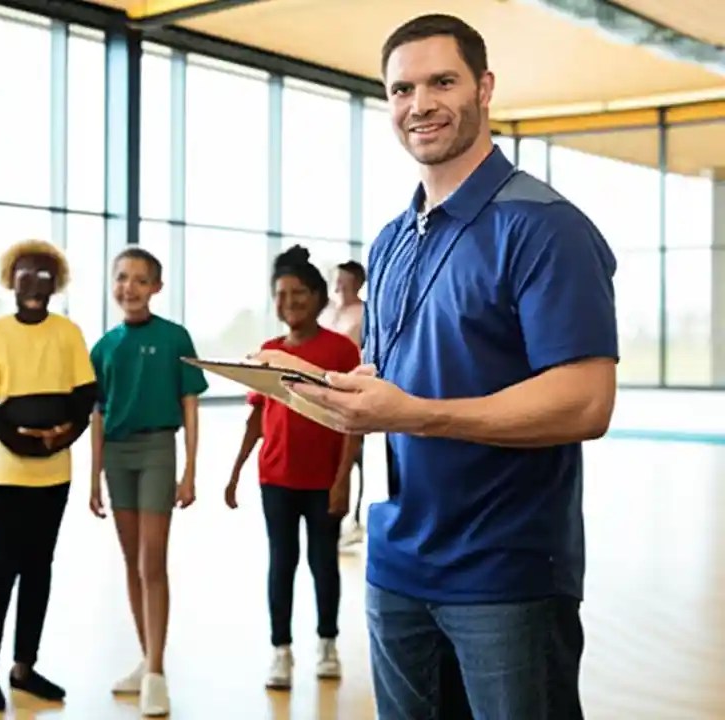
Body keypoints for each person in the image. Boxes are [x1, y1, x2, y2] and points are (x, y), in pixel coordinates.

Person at [281, 14, 617, 720]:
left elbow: (585, 402)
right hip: (397, 563)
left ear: (484, 88)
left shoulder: (546, 227)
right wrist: (323, 389)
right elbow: (395, 379)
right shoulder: (393, 240)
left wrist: (415, 414)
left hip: (506, 570)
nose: (420, 104)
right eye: (402, 89)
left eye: (442, 82)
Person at [0, 239, 97, 713]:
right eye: (25, 274)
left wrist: (66, 437)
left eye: (43, 275)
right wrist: (14, 441)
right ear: (10, 280)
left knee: (40, 566)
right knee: (3, 564)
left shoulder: (69, 333)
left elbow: (84, 397)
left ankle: (23, 666)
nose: (34, 283)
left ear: (55, 283)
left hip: (55, 471)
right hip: (8, 470)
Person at [226, 245, 361, 691]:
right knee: (281, 563)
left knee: (324, 563)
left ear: (319, 297)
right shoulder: (268, 351)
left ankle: (327, 643)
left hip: (323, 481)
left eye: (299, 293)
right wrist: (235, 472)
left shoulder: (341, 350)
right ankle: (280, 650)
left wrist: (343, 480)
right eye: (281, 295)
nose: (289, 303)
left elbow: (352, 424)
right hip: (276, 479)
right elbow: (256, 417)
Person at [88, 247, 208, 717]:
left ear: (156, 287)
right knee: (131, 562)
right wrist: (93, 477)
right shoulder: (104, 347)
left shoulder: (175, 338)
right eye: (121, 278)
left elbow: (190, 406)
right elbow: (97, 415)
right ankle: (146, 658)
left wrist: (190, 470)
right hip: (117, 455)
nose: (129, 287)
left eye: (140, 280)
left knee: (151, 561)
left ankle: (156, 670)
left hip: (159, 449)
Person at [319, 260, 368, 550]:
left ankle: (353, 518)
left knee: (352, 455)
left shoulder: (364, 313)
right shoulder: (327, 313)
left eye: (345, 280)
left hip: (351, 388)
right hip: (323, 389)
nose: (339, 285)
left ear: (358, 283)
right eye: (337, 280)